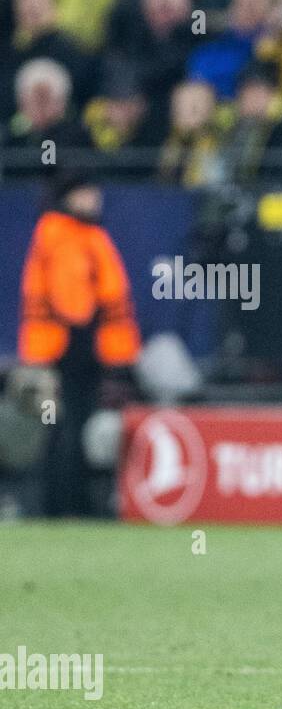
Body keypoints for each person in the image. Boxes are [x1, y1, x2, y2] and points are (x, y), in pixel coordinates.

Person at [18, 173, 141, 516]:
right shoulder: (63, 233)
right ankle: (65, 506)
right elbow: (74, 302)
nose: (94, 199)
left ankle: (66, 505)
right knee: (65, 428)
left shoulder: (73, 233)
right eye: (87, 192)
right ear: (71, 196)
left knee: (65, 428)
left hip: (66, 349)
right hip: (65, 350)